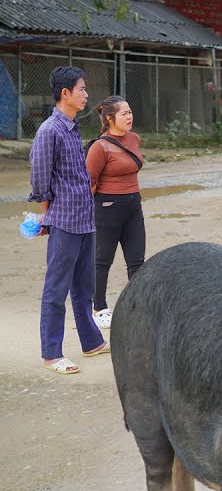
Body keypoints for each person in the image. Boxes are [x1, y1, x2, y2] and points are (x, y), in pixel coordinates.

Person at [28, 66, 108, 375]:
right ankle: (51, 353)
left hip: (85, 220)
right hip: (64, 222)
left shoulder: (72, 128)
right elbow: (39, 180)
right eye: (82, 89)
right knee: (56, 290)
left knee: (83, 288)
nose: (87, 94)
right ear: (66, 94)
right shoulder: (50, 130)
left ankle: (91, 342)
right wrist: (49, 215)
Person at [85, 96, 145, 330]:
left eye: (130, 112)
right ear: (110, 118)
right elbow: (89, 181)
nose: (129, 117)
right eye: (123, 114)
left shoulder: (134, 139)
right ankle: (99, 307)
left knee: (137, 261)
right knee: (102, 260)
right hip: (107, 208)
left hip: (133, 207)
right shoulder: (100, 146)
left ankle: (139, 306)